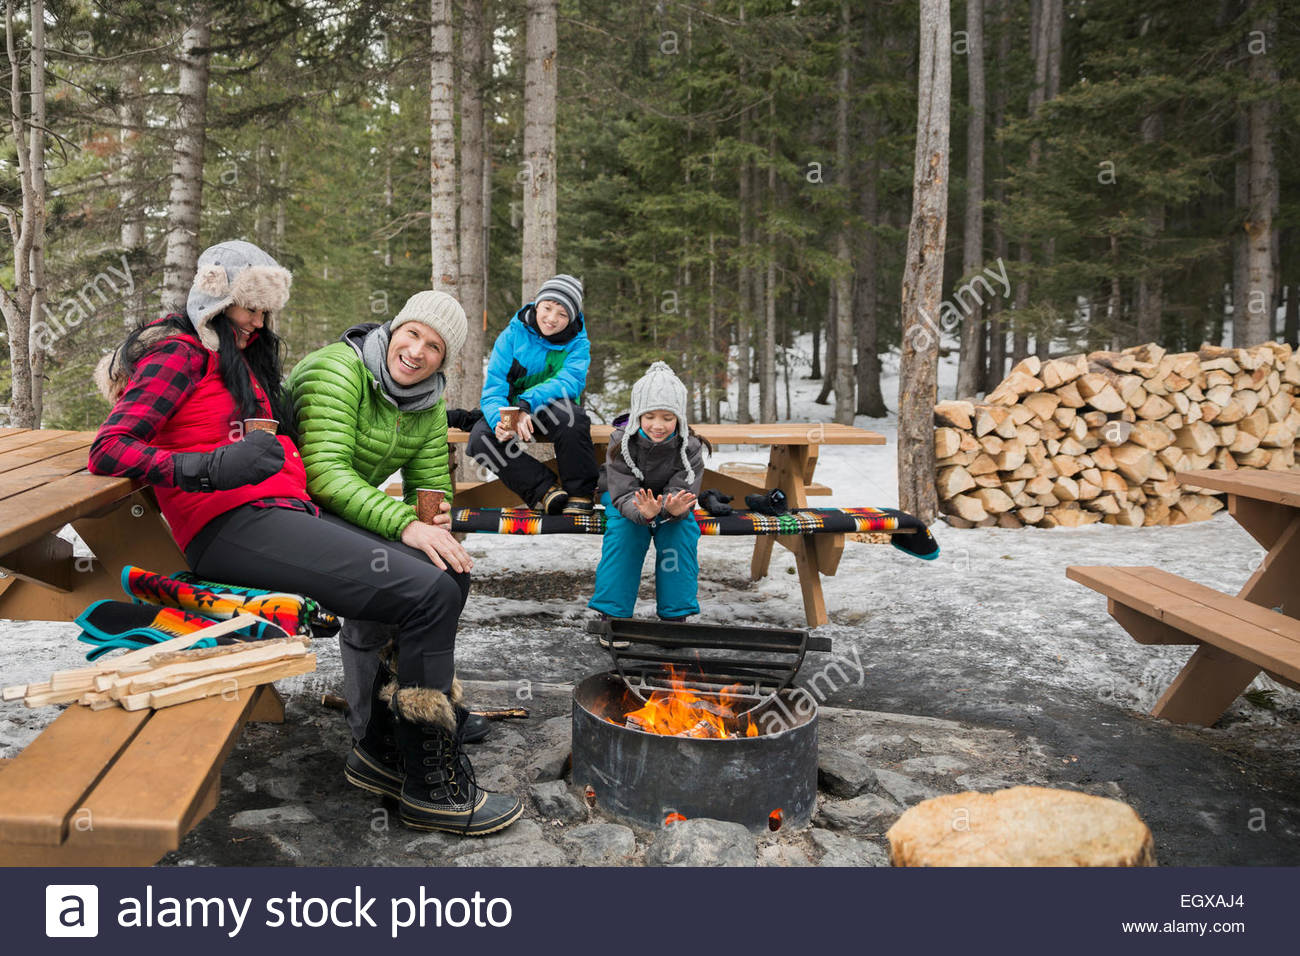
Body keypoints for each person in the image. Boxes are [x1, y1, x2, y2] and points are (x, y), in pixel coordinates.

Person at [88, 240, 521, 836]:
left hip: (280, 514)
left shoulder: (238, 360)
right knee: (427, 595)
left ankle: (382, 746)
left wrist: (430, 522)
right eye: (250, 310)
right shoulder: (179, 354)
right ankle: (429, 784)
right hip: (232, 527)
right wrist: (210, 468)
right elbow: (109, 449)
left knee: (446, 575)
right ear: (216, 299)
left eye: (266, 313)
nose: (258, 324)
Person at [287, 290, 494, 803]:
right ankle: (374, 729)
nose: (419, 351)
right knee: (400, 581)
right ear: (394, 329)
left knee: (445, 572)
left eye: (435, 348)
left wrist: (437, 519)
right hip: (284, 516)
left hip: (342, 511)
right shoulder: (340, 369)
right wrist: (406, 526)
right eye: (413, 334)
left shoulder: (427, 400)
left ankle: (423, 708)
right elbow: (323, 474)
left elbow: (429, 482)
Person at [467, 274, 599, 514]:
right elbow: (495, 389)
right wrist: (501, 421)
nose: (551, 319)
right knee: (480, 439)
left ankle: (580, 494)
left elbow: (570, 381)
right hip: (511, 408)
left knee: (574, 419)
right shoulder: (511, 336)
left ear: (571, 318)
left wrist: (527, 403)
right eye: (547, 308)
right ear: (537, 304)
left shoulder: (578, 343)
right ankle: (544, 490)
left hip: (552, 406)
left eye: (562, 314)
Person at [588, 362, 707, 622]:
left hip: (668, 501)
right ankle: (613, 614)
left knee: (681, 531)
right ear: (638, 415)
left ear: (679, 418)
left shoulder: (690, 447)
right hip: (625, 499)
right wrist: (642, 512)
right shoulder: (621, 442)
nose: (658, 425)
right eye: (650, 416)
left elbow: (683, 488)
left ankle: (676, 615)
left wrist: (670, 510)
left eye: (668, 417)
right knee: (626, 533)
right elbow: (621, 491)